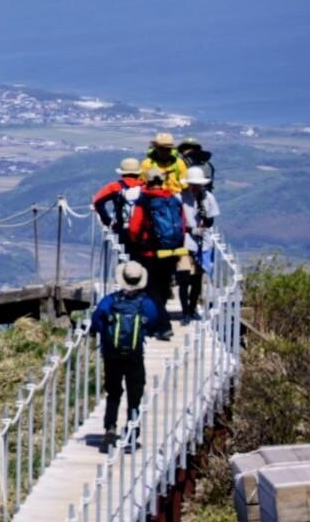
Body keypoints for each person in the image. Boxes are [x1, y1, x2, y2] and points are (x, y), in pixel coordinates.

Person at [89, 260, 168, 453]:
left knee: (113, 393)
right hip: (134, 355)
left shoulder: (110, 301)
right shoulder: (146, 303)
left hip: (111, 354)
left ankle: (110, 427)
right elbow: (153, 323)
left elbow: (97, 320)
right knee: (135, 395)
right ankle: (132, 433)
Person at [126, 166, 187, 336]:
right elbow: (183, 224)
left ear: (147, 180)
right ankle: (158, 322)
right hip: (171, 252)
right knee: (163, 288)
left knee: (152, 290)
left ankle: (162, 325)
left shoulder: (144, 200)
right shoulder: (173, 199)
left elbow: (134, 228)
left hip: (149, 253)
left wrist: (136, 243)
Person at [178, 166, 221, 320]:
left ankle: (192, 308)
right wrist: (190, 229)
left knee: (196, 280)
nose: (195, 187)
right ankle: (184, 312)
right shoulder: (181, 197)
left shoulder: (208, 198)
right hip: (184, 242)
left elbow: (210, 221)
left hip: (202, 243)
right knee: (183, 278)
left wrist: (203, 218)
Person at [92, 157, 144, 246]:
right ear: (138, 173)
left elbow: (97, 201)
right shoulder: (145, 187)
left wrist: (108, 222)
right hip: (143, 230)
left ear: (122, 173)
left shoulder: (115, 187)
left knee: (124, 256)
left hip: (122, 228)